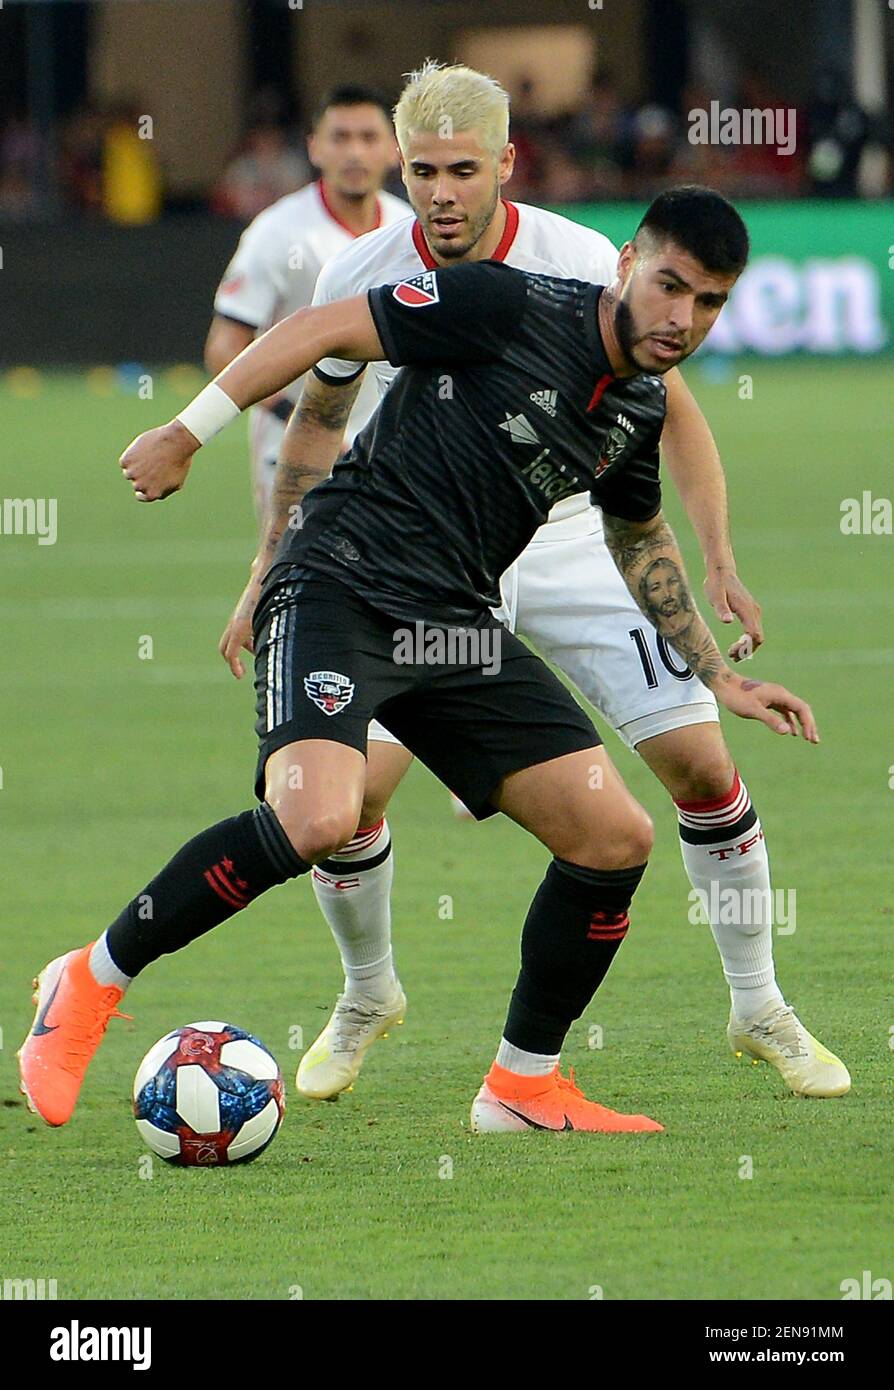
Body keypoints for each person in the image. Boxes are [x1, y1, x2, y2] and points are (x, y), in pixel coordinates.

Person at [19, 186, 818, 1137]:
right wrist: (187, 432)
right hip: (339, 585)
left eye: (710, 302)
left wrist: (719, 677)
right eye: (670, 285)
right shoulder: (506, 302)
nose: (683, 318)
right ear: (626, 263)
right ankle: (89, 979)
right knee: (319, 817)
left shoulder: (637, 406)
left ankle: (520, 1089)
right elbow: (318, 329)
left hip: (450, 624)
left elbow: (640, 538)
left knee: (614, 838)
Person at [217, 63, 849, 1104]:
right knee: (355, 789)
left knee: (700, 764)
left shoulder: (583, 258)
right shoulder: (361, 272)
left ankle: (759, 1004)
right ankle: (368, 991)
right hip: (419, 557)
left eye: (465, 169)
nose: (442, 193)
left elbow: (669, 414)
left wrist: (720, 555)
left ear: (506, 161)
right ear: (397, 168)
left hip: (565, 536)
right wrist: (267, 570)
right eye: (423, 172)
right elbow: (316, 430)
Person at [206, 86, 410, 521]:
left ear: (395, 150)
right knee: (288, 580)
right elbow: (224, 346)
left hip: (391, 452)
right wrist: (301, 414)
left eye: (368, 137)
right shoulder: (276, 232)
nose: (354, 152)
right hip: (295, 450)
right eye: (340, 137)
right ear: (314, 148)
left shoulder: (412, 230)